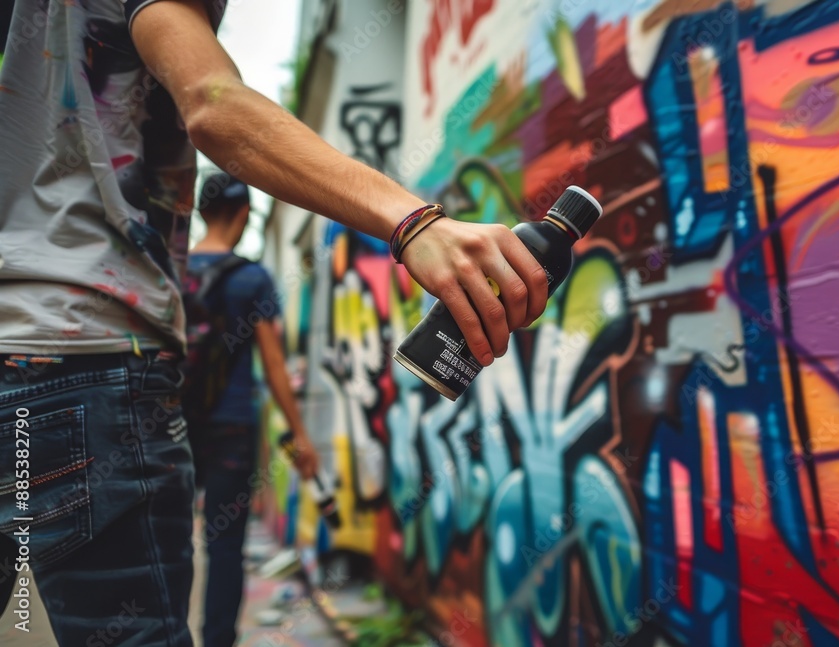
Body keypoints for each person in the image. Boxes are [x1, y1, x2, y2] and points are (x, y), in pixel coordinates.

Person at [0, 0, 549, 645]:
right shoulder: (252, 279)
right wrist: (415, 223)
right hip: (85, 359)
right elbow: (212, 101)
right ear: (240, 211)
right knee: (200, 566)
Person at [186, 172, 318, 646]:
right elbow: (275, 364)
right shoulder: (252, 278)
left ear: (200, 211)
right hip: (232, 427)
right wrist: (298, 433)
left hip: (175, 426)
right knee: (224, 546)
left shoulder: (173, 270)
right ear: (243, 214)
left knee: (167, 540)